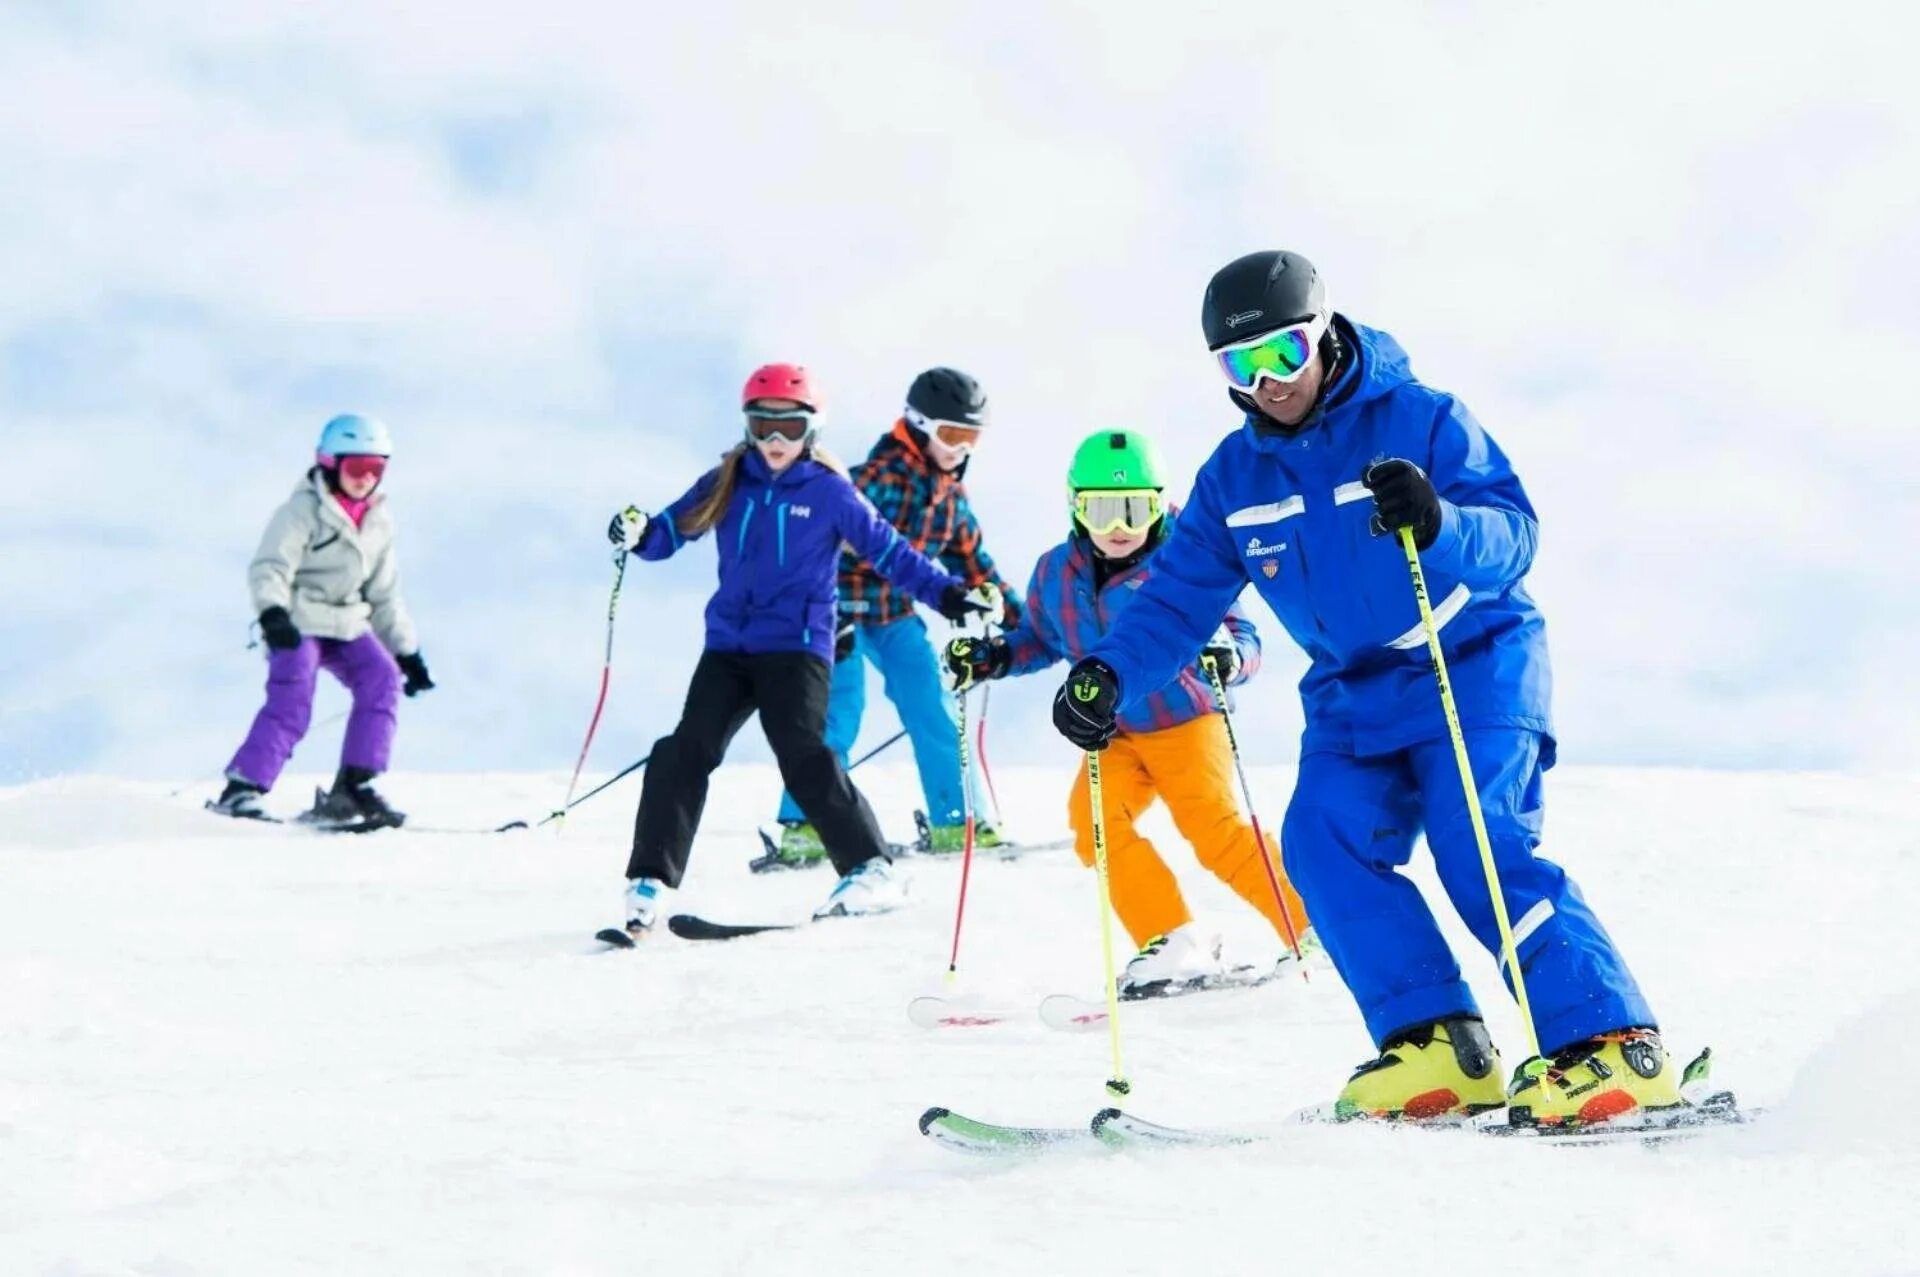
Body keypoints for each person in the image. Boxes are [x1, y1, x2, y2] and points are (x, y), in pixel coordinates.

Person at [1050, 250, 1683, 1128]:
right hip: (1355, 690)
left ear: (1325, 334)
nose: (1270, 381)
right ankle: (1438, 1043)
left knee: (1478, 843)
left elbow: (1516, 535)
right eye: (1243, 364)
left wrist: (1441, 519)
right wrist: (1108, 675)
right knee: (1318, 843)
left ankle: (1613, 1045)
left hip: (1470, 659)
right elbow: (1176, 601)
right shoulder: (1234, 479)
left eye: (1285, 351)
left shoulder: (1421, 419)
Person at [608, 363, 994, 939]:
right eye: (763, 426)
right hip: (729, 646)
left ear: (812, 429)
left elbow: (891, 554)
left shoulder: (830, 491)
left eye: (789, 428)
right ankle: (649, 881)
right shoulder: (727, 480)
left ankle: (870, 867)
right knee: (684, 750)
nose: (775, 442)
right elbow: (669, 531)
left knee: (803, 752)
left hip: (797, 647)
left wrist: (950, 597)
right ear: (747, 426)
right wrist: (637, 533)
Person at [944, 428, 1311, 993]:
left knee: (1216, 834)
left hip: (1185, 721)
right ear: (1075, 506)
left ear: (1161, 507)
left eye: (1135, 510)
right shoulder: (1054, 572)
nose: (1118, 529)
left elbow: (1244, 635)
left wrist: (1231, 656)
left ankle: (1314, 927)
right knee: (1093, 826)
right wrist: (994, 656)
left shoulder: (1187, 562)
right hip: (1112, 732)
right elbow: (1038, 639)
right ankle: (1172, 939)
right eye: (1102, 510)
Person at [765, 367, 1024, 868]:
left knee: (934, 706)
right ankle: (804, 826)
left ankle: (957, 820)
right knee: (838, 713)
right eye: (952, 436)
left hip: (895, 617)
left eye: (971, 438)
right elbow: (816, 543)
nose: (961, 450)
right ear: (919, 425)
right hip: (837, 613)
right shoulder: (876, 480)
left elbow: (975, 567)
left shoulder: (952, 499)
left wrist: (1025, 622)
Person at [208, 413, 434, 829]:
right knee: (293, 699)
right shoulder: (301, 511)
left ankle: (354, 786)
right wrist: (273, 613)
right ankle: (243, 788)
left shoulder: (379, 522)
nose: (366, 478)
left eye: (376, 469)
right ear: (330, 463)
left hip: (348, 621)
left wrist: (408, 653)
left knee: (382, 679)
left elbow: (384, 594)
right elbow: (270, 566)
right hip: (298, 619)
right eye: (356, 468)